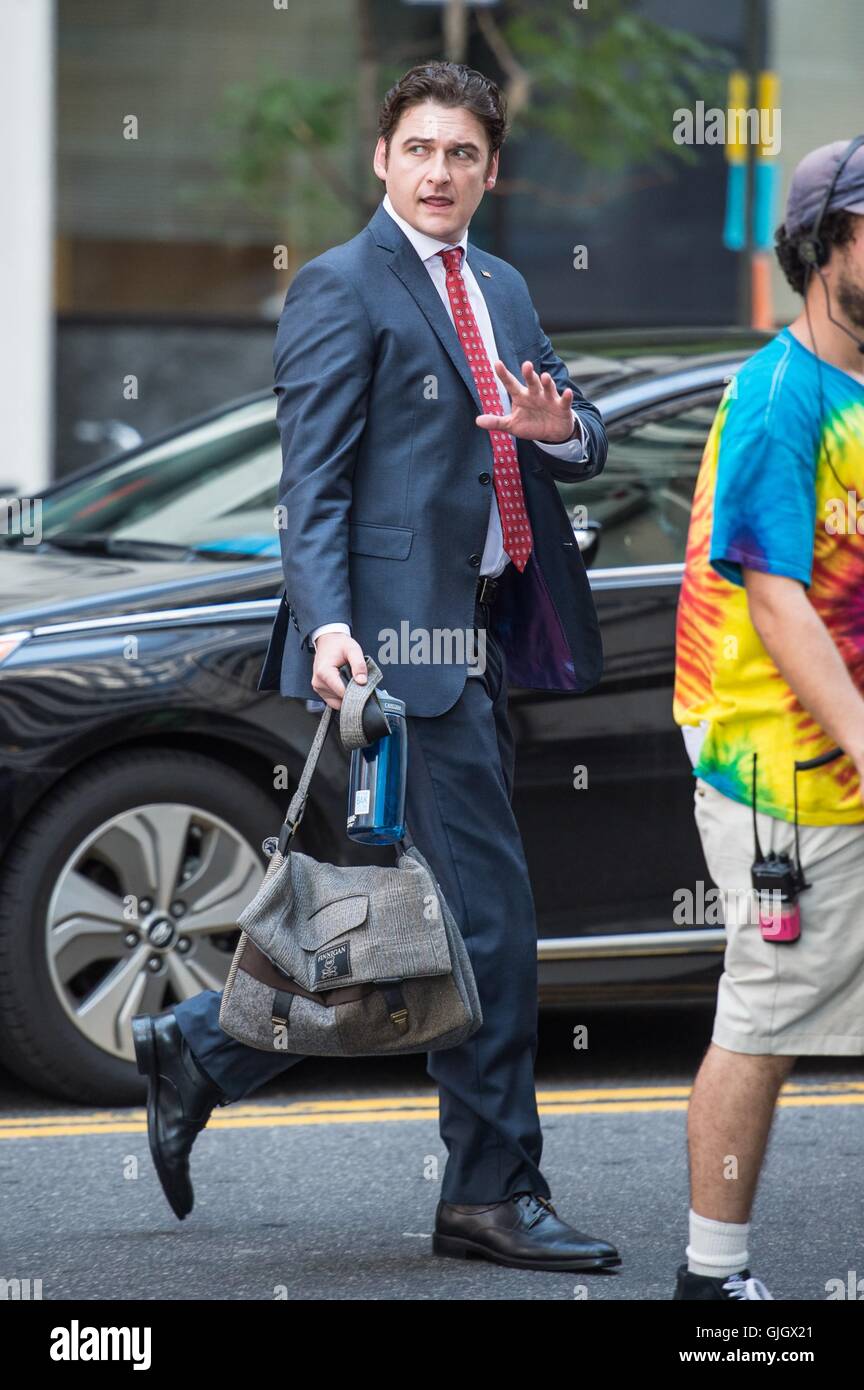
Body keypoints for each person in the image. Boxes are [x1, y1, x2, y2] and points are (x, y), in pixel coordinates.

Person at [132, 61, 619, 1274]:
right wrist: (335, 629)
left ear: (491, 171)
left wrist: (566, 435)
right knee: (491, 931)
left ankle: (203, 1044)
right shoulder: (344, 288)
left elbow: (574, 430)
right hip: (397, 653)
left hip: (486, 642)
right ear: (383, 161)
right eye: (420, 149)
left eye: (463, 153)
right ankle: (494, 1193)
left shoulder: (501, 285)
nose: (441, 171)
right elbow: (316, 486)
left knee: (427, 930)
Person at [672, 137, 864, 1300]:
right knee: (767, 1018)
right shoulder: (778, 396)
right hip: (784, 776)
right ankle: (713, 1282)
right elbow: (782, 603)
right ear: (825, 244)